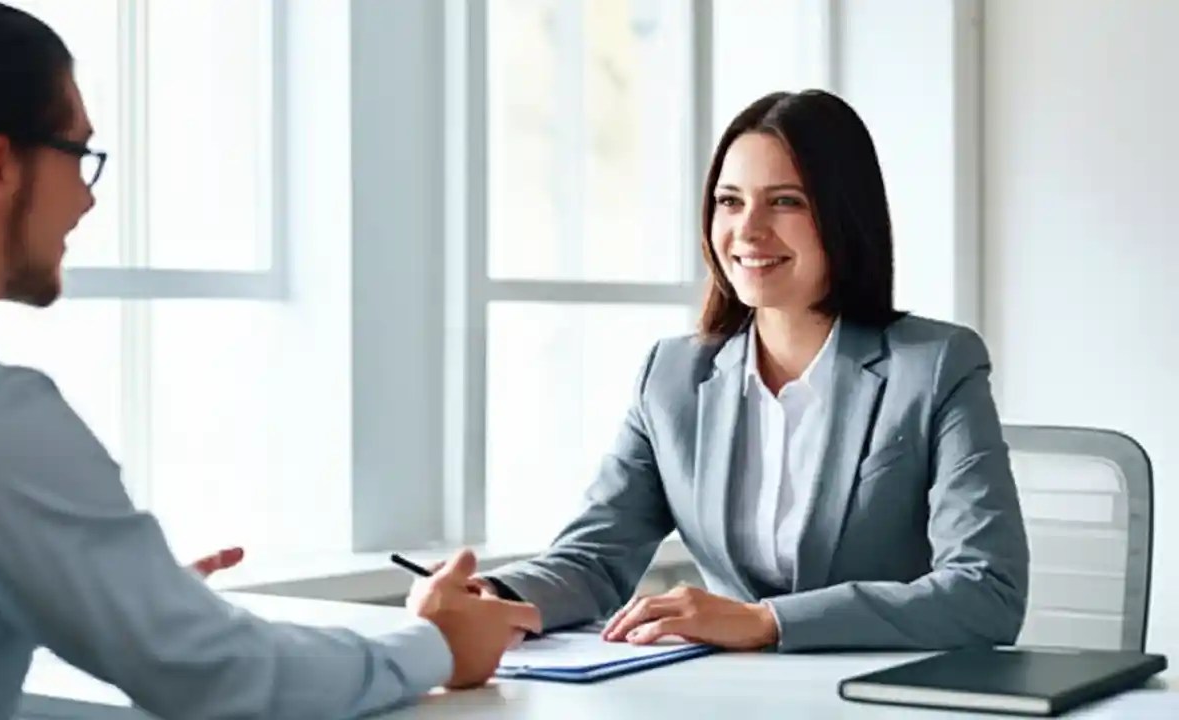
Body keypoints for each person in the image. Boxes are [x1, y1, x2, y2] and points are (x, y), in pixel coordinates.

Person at [0, 2, 538, 718]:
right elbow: (223, 677)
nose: (85, 198)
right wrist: (436, 643)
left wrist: (122, 595)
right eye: (79, 153)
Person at [435, 89, 1030, 653]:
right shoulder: (672, 375)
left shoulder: (935, 366)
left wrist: (766, 623)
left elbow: (987, 593)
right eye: (730, 201)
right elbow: (595, 557)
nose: (747, 230)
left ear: (844, 215)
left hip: (879, 693)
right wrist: (493, 597)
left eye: (786, 201)